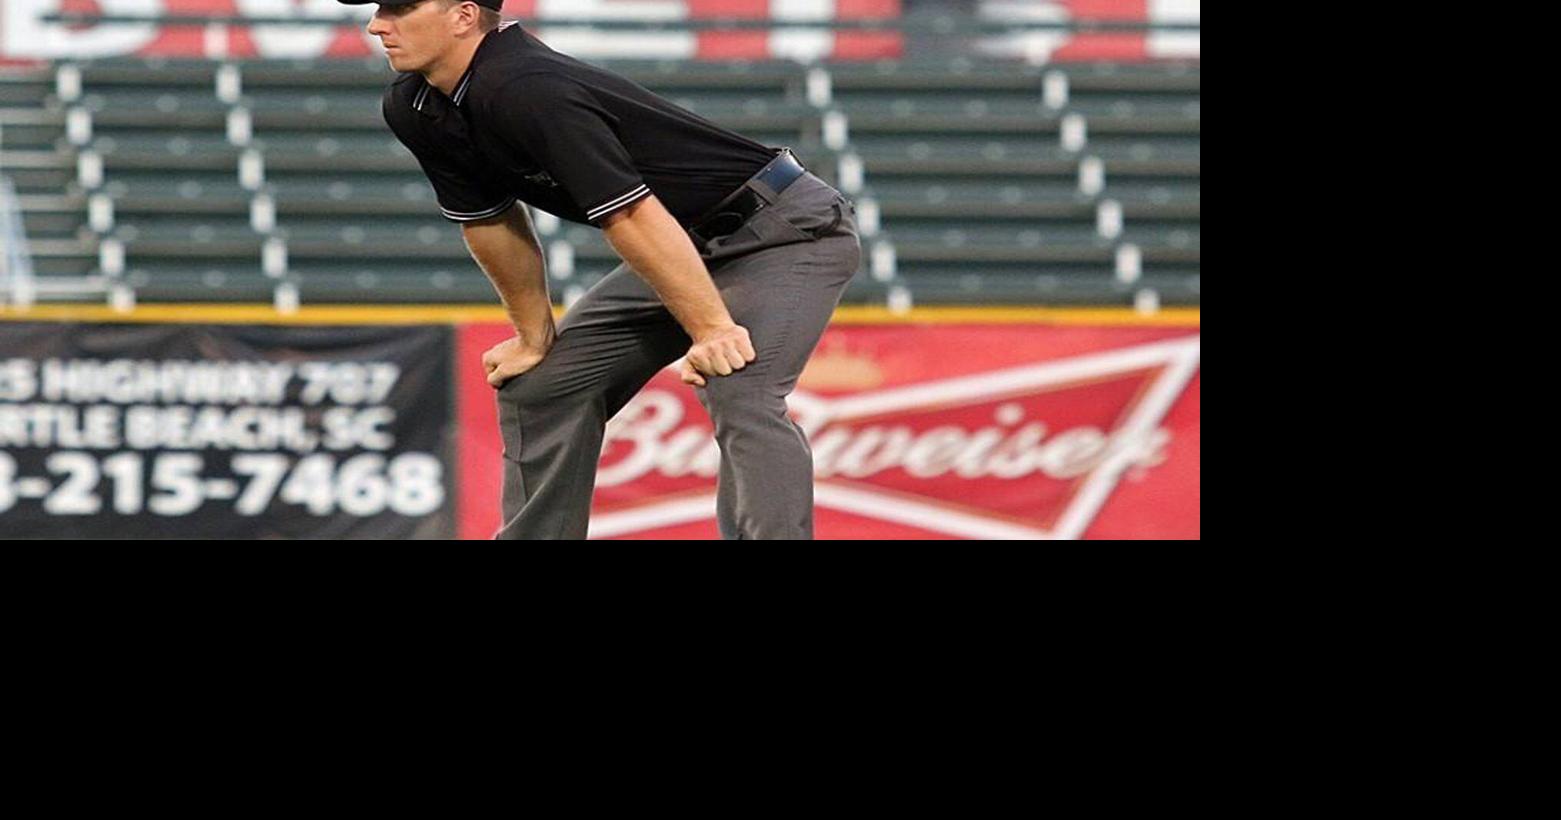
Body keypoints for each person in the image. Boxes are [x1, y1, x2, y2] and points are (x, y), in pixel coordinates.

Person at [343, 0, 861, 538]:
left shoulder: (525, 85)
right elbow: (490, 220)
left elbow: (631, 214)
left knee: (736, 384)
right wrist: (532, 335)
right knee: (541, 386)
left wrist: (712, 329)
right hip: (684, 241)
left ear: (464, 15)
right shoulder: (416, 104)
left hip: (783, 230)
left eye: (400, 8)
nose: (378, 23)